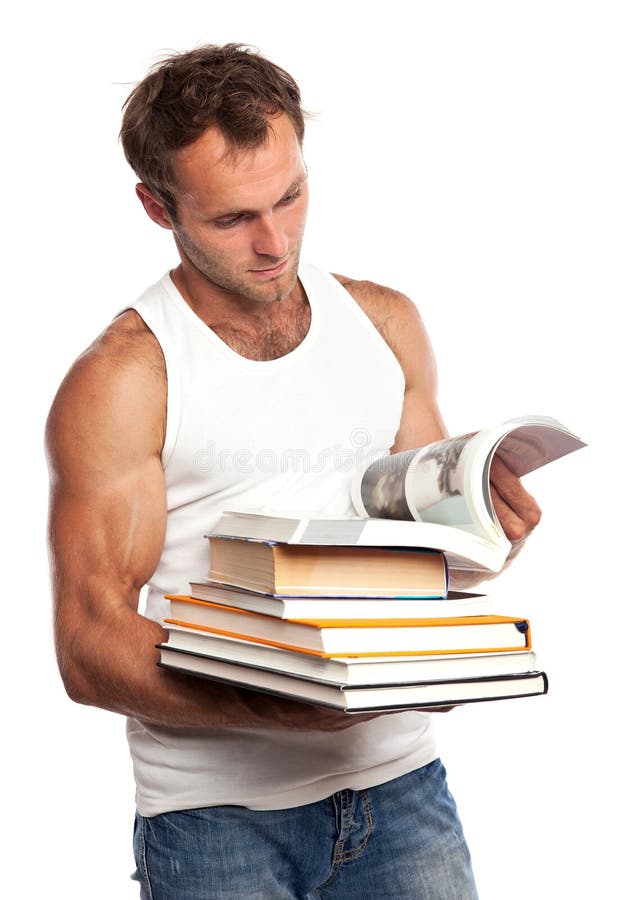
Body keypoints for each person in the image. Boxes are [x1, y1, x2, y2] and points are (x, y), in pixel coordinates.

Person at [45, 43, 541, 899]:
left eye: (290, 197)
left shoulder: (384, 322)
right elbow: (89, 645)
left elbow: (429, 563)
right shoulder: (126, 378)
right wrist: (278, 705)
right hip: (213, 817)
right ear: (157, 208)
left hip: (401, 786)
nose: (275, 243)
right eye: (233, 219)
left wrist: (487, 532)